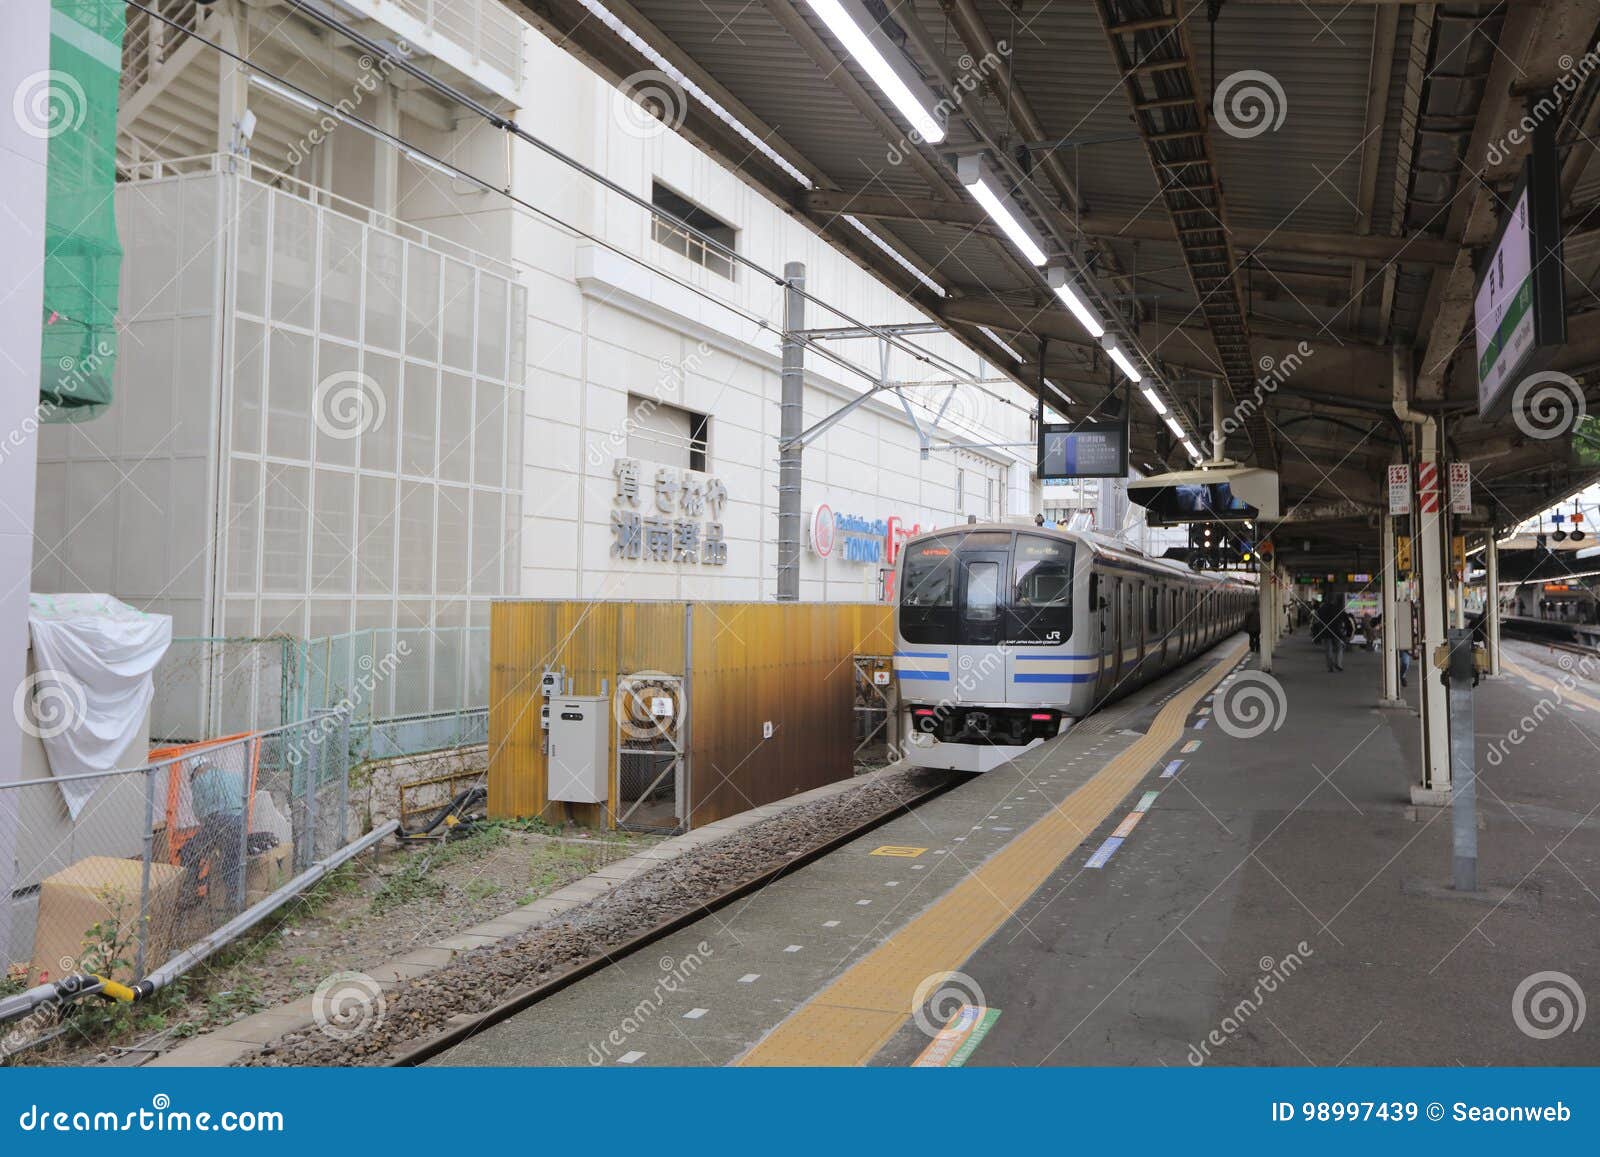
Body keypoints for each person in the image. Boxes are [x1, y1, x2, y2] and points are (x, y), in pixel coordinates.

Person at [181, 760, 247, 910]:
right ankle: (235, 906)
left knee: (188, 850)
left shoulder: (199, 779)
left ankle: (192, 892)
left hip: (218, 821)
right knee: (232, 862)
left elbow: (199, 810)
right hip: (239, 821)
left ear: (197, 771)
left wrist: (208, 830)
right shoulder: (234, 776)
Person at [1313, 596, 1355, 672]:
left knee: (1328, 649)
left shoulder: (1322, 609)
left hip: (1326, 632)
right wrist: (1349, 633)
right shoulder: (1339, 609)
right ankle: (1338, 663)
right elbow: (1347, 621)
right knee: (1339, 648)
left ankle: (1330, 667)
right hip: (1337, 632)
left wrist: (1317, 635)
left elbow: (1317, 622)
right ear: (1335, 601)